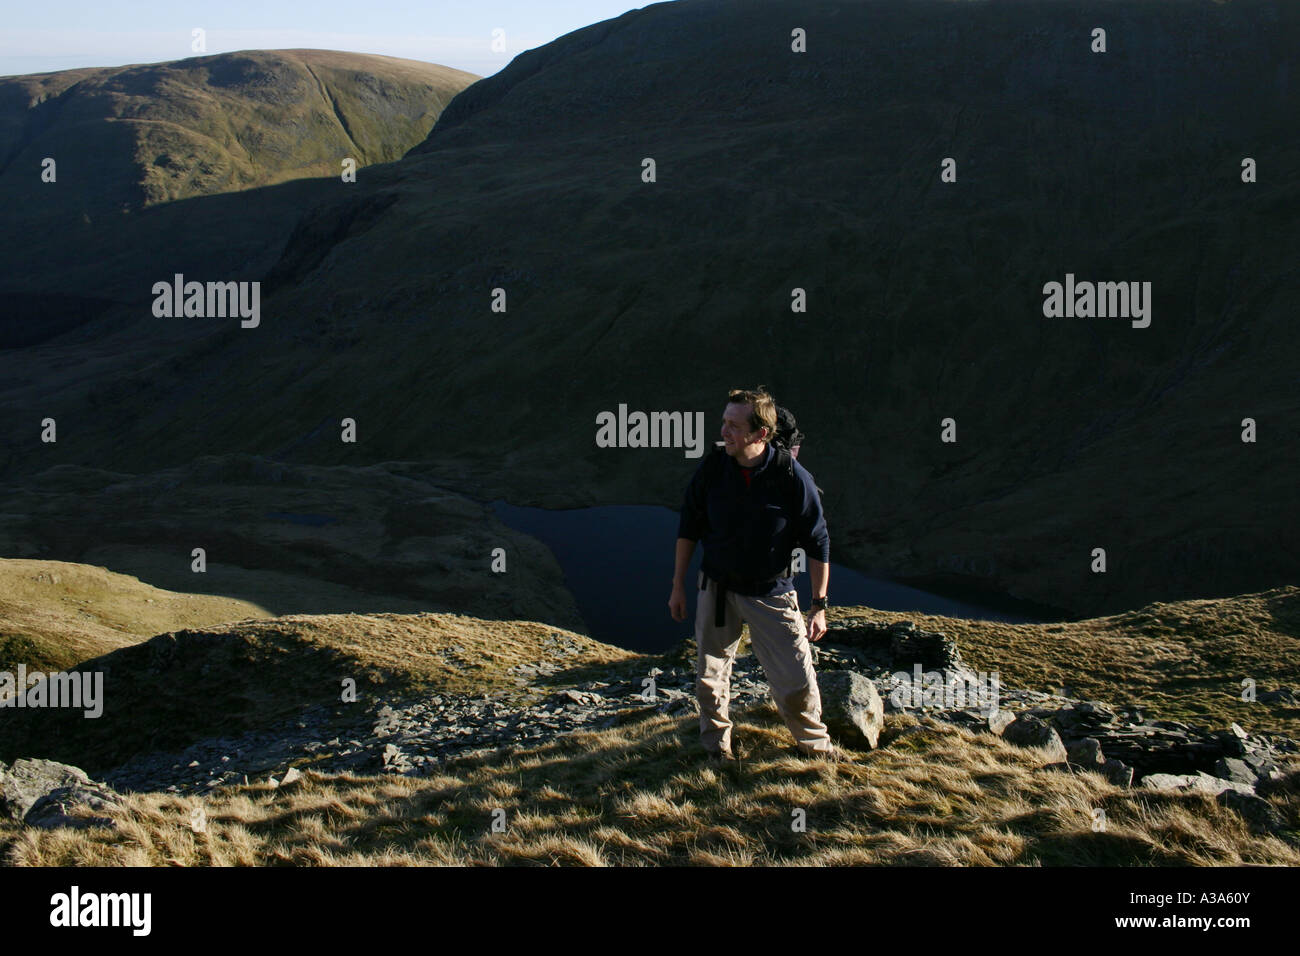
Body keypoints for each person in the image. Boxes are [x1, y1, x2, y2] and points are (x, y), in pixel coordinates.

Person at [668, 387, 849, 763]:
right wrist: (677, 587)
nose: (724, 432)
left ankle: (814, 747)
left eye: (734, 426)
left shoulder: (790, 476)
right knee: (710, 675)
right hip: (716, 588)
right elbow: (689, 525)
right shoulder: (714, 468)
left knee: (796, 679)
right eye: (724, 423)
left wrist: (819, 606)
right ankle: (716, 748)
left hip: (771, 592)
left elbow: (818, 541)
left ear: (760, 434)